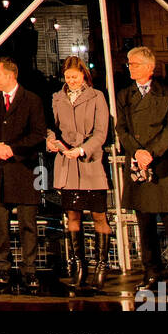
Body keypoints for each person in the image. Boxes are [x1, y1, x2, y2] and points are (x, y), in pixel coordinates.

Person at [0, 57, 47, 291]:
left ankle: (30, 270)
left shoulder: (32, 100)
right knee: (1, 226)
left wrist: (12, 150)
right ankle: (3, 268)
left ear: (10, 75)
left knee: (28, 224)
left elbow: (38, 134)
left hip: (25, 171)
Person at [47, 55, 111, 287]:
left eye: (75, 76)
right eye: (67, 77)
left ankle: (102, 265)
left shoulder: (97, 97)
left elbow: (101, 132)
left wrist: (83, 150)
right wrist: (51, 141)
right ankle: (79, 265)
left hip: (90, 163)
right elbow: (52, 127)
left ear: (83, 74)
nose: (71, 81)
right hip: (66, 164)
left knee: (98, 216)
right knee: (72, 216)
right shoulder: (57, 98)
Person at [115, 46, 168, 289]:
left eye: (135, 64)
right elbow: (121, 128)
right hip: (138, 166)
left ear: (149, 67)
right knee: (144, 221)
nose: (130, 67)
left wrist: (151, 152)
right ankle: (151, 269)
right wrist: (137, 151)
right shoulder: (124, 95)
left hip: (162, 166)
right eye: (129, 64)